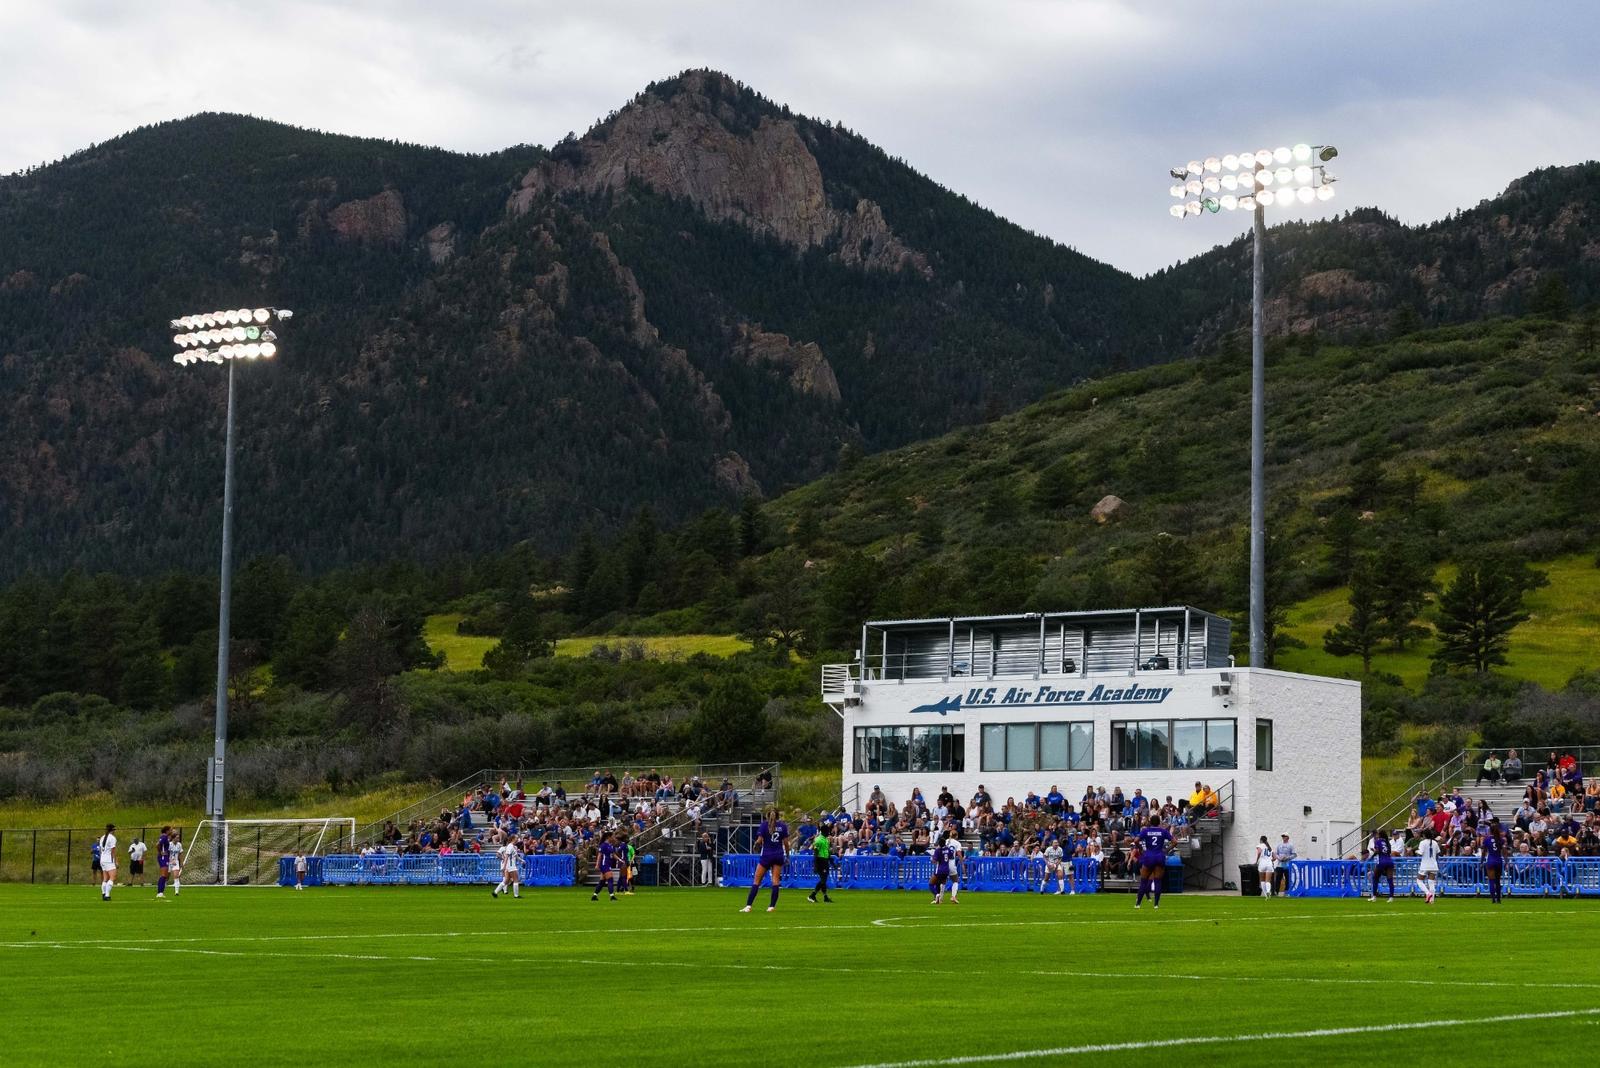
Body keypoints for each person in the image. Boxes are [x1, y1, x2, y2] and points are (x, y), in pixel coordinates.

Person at [742, 806, 787, 913]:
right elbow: (786, 843)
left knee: (757, 881)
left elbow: (759, 840)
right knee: (775, 881)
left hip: (766, 855)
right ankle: (771, 906)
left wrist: (756, 845)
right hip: (778, 855)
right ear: (777, 815)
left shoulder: (764, 825)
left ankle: (748, 906)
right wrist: (788, 855)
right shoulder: (783, 826)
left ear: (767, 815)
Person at [1133, 819, 1173, 910]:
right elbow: (1175, 842)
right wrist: (1166, 850)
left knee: (1143, 881)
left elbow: (1136, 840)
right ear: (1159, 823)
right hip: (1159, 856)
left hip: (1149, 856)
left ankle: (1138, 904)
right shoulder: (1163, 831)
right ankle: (1156, 904)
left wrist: (1140, 849)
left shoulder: (1146, 831)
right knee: (1158, 881)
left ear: (1150, 822)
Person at [1481, 818, 1505, 905]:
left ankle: (1493, 899)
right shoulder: (1500, 839)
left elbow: (1484, 852)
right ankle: (1499, 899)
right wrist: (1506, 861)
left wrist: (1481, 862)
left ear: (1489, 830)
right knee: (1498, 881)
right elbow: (1504, 851)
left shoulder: (1486, 839)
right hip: (1498, 860)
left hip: (1490, 861)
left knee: (1491, 880)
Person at [807, 827, 834, 904]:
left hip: (825, 861)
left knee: (824, 880)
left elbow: (827, 851)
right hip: (820, 860)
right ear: (823, 831)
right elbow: (815, 853)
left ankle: (825, 897)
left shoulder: (826, 839)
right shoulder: (818, 840)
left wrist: (831, 862)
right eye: (827, 831)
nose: (828, 833)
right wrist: (815, 865)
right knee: (823, 880)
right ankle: (812, 895)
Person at [1369, 827, 1396, 901]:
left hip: (1382, 861)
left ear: (1379, 835)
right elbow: (1389, 852)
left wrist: (1371, 857)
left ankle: (1374, 896)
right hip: (1390, 861)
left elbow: (1377, 851)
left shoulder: (1377, 841)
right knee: (1390, 879)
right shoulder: (1388, 842)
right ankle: (1391, 897)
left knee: (1375, 878)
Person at [1415, 829, 1440, 904]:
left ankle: (1427, 893)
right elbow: (1438, 853)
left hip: (1425, 865)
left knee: (1419, 880)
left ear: (1424, 835)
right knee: (1431, 882)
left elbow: (1420, 853)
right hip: (1433, 865)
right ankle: (1432, 900)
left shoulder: (1422, 842)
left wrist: (1416, 851)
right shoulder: (1435, 842)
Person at [591, 832, 619, 902]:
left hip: (607, 864)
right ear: (608, 837)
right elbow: (599, 855)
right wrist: (597, 864)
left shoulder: (610, 846)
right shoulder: (603, 845)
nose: (613, 838)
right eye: (612, 836)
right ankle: (612, 896)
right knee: (610, 879)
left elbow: (613, 854)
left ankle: (594, 896)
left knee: (602, 882)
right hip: (604, 865)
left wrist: (620, 860)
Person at [928, 834, 955, 905]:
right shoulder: (948, 849)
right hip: (946, 870)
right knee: (938, 884)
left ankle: (936, 895)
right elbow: (951, 857)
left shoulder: (938, 850)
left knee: (931, 884)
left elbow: (934, 861)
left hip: (939, 870)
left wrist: (932, 858)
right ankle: (938, 900)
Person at [97, 823, 117, 901]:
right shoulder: (112, 838)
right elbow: (113, 850)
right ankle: (107, 895)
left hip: (103, 859)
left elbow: (100, 850)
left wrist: (101, 858)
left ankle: (103, 893)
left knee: (105, 878)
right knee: (112, 877)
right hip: (109, 859)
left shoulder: (102, 837)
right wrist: (115, 861)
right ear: (112, 830)